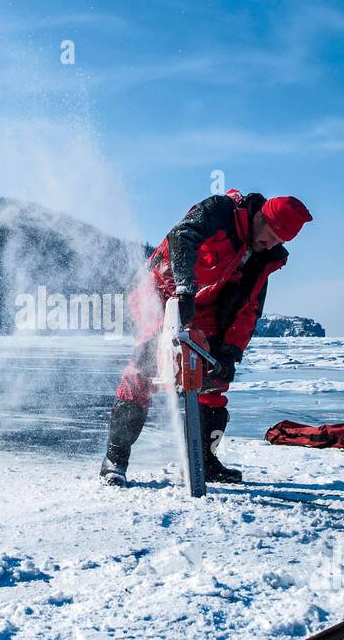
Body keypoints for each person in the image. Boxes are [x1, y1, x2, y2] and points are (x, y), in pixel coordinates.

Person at [100, 190, 312, 486]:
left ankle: (204, 462)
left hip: (203, 304)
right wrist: (184, 289)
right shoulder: (219, 211)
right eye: (269, 237)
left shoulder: (263, 258)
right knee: (145, 366)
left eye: (278, 243)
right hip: (158, 290)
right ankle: (115, 460)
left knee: (213, 377)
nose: (269, 246)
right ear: (260, 216)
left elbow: (248, 308)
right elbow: (181, 236)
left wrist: (230, 352)